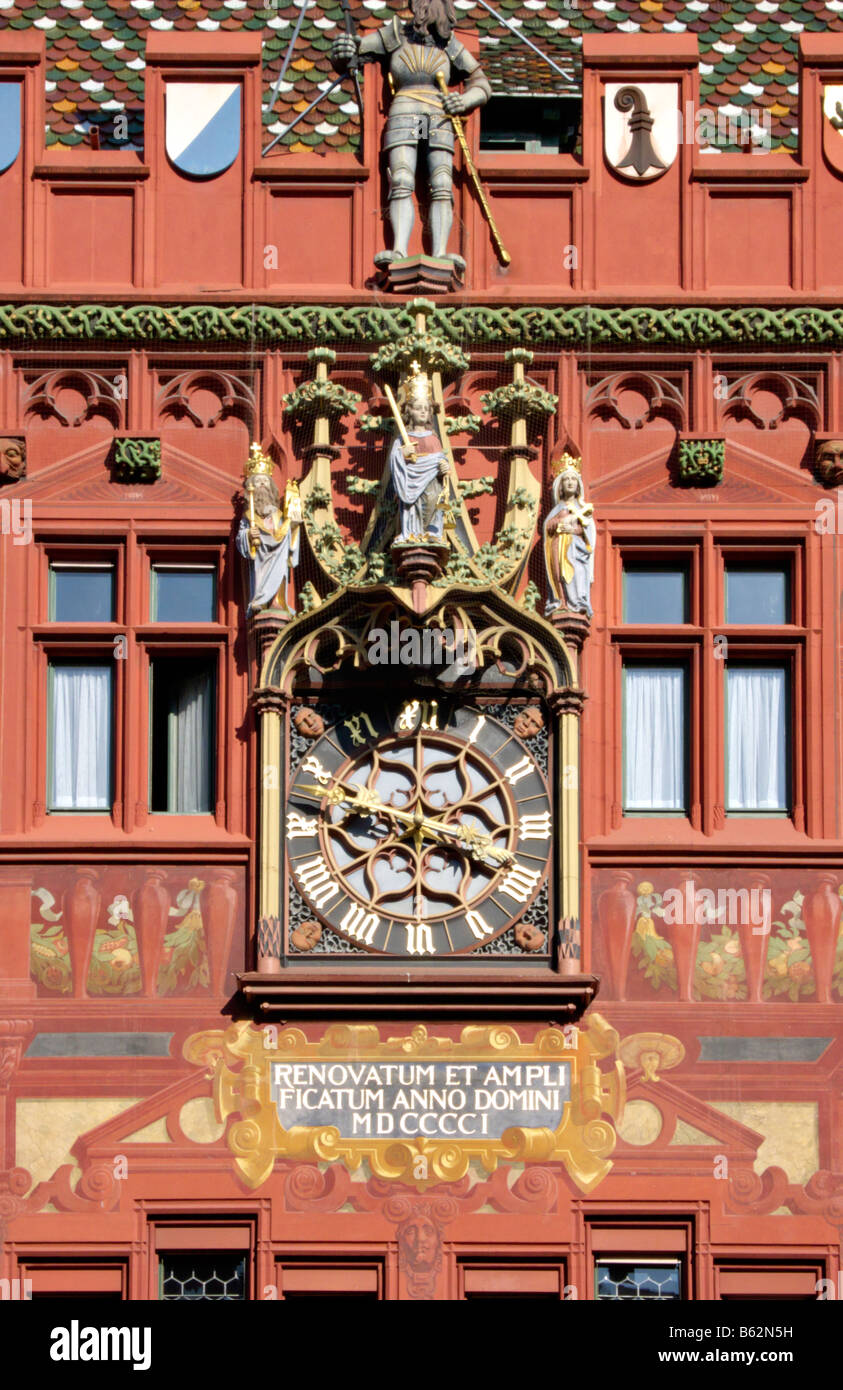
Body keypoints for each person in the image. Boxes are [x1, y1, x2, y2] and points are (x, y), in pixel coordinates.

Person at [331, 0, 490, 271]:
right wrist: (343, 48)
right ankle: (400, 249)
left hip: (438, 114)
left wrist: (463, 102)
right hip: (405, 111)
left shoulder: (449, 43)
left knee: (441, 180)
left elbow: (482, 84)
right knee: (402, 177)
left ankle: (440, 251)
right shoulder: (395, 35)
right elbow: (355, 52)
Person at [236, 448, 302, 615]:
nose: (263, 484)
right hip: (260, 556)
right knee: (260, 575)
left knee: (280, 572)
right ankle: (260, 600)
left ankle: (277, 601)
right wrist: (249, 535)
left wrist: (293, 526)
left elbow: (287, 534)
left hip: (278, 554)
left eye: (265, 481)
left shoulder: (278, 514)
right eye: (258, 481)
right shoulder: (248, 516)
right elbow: (240, 537)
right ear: (251, 487)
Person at [543, 456, 595, 618]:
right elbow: (548, 526)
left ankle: (577, 602)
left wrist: (573, 530)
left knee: (575, 572)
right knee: (558, 574)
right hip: (557, 545)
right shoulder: (558, 508)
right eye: (566, 479)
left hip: (575, 549)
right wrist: (559, 522)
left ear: (578, 485)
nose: (570, 482)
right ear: (561, 485)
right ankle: (561, 601)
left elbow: (588, 531)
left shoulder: (582, 508)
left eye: (574, 479)